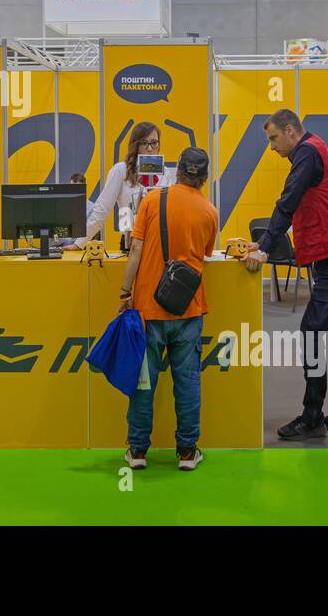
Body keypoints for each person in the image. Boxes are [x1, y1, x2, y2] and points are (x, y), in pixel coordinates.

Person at [244, 108, 328, 440]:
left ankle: (312, 418)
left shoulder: (307, 153)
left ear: (290, 131)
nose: (272, 147)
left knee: (312, 332)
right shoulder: (315, 148)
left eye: (273, 138)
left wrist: (264, 247)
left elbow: (287, 203)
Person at [117, 147, 218, 471]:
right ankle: (187, 452)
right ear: (203, 177)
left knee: (144, 382)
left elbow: (135, 251)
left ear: (177, 173)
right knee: (187, 382)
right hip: (188, 309)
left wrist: (124, 292)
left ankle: (137, 451)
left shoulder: (151, 201)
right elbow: (204, 254)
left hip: (148, 308)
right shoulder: (209, 212)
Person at [66, 122, 167, 250]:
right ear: (135, 145)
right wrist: (79, 243)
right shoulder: (120, 170)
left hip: (160, 244)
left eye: (154, 142)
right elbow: (101, 210)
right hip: (131, 242)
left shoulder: (167, 173)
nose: (150, 148)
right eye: (144, 143)